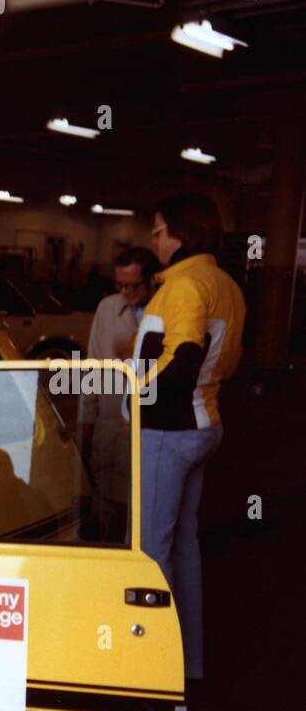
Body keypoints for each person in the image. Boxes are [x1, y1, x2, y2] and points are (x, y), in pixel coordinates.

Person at [134, 192, 246, 680]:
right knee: (184, 547)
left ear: (181, 234)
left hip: (167, 431)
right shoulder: (224, 283)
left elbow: (181, 361)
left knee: (150, 554)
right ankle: (188, 664)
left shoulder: (182, 286)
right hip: (203, 425)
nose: (153, 240)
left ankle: (154, 673)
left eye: (158, 230)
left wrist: (133, 399)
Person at [81, 246, 161, 538]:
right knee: (102, 511)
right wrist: (86, 424)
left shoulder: (164, 313)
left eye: (133, 286)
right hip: (108, 426)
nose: (125, 292)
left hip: (146, 430)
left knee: (139, 519)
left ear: (153, 280)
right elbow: (91, 366)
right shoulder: (107, 309)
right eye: (120, 285)